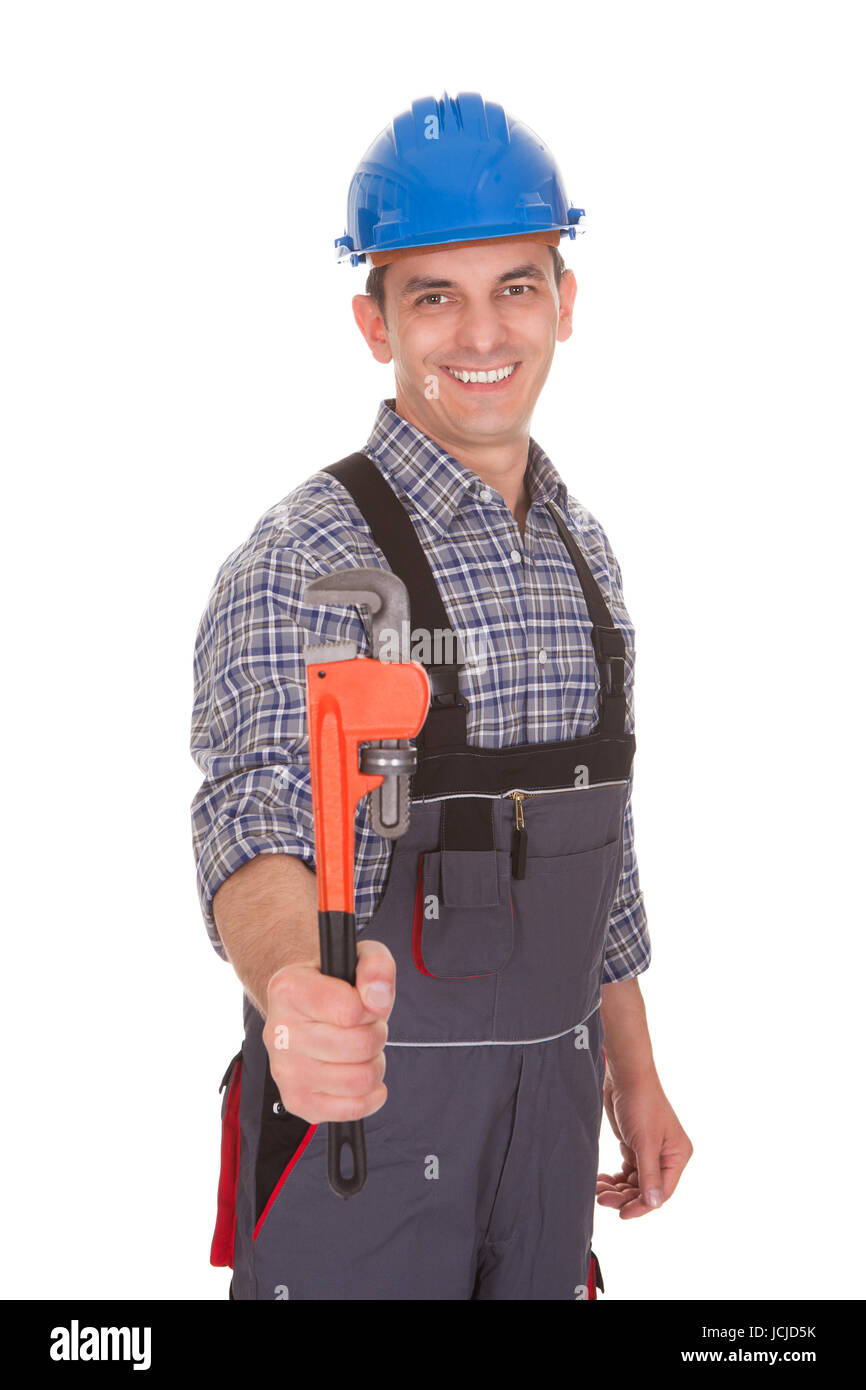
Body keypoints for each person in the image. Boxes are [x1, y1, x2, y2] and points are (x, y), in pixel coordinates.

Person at [190, 89, 692, 1301]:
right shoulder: (306, 553)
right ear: (374, 322)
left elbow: (597, 847)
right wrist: (289, 990)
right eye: (433, 296)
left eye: (514, 286)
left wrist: (632, 1068)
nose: (482, 331)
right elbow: (251, 819)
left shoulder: (584, 552)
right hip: (355, 1124)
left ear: (563, 303)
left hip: (547, 1125)